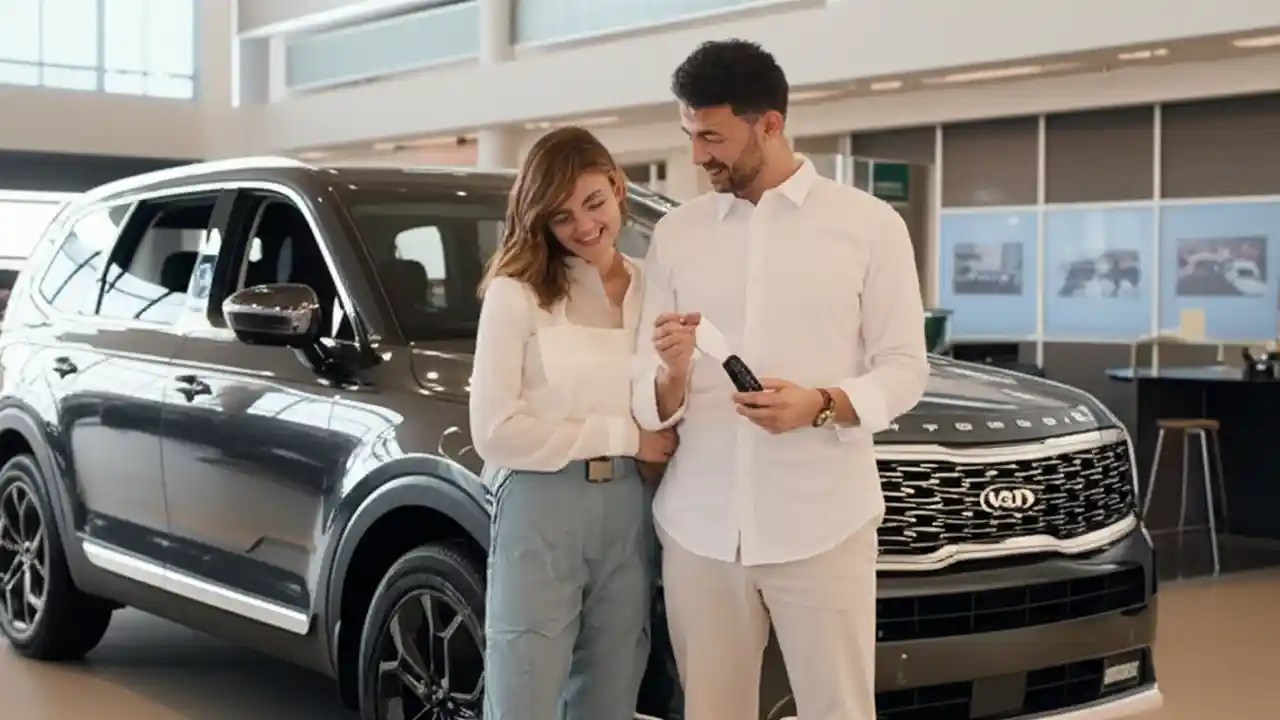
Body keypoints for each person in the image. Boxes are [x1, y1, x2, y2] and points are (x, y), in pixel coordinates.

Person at [631, 39, 930, 719]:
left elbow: (906, 368)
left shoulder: (869, 226)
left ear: (770, 124)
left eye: (713, 136)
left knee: (839, 710)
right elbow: (645, 383)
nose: (699, 155)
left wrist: (823, 403)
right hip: (699, 528)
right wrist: (670, 373)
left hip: (822, 523)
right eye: (690, 135)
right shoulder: (676, 234)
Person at [470, 126, 677, 719]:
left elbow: (662, 398)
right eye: (561, 217)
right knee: (525, 687)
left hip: (630, 506)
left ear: (617, 186)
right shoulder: (517, 293)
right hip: (541, 503)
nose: (584, 227)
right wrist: (626, 437)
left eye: (593, 203)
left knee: (612, 688)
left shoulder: (651, 288)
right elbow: (495, 430)